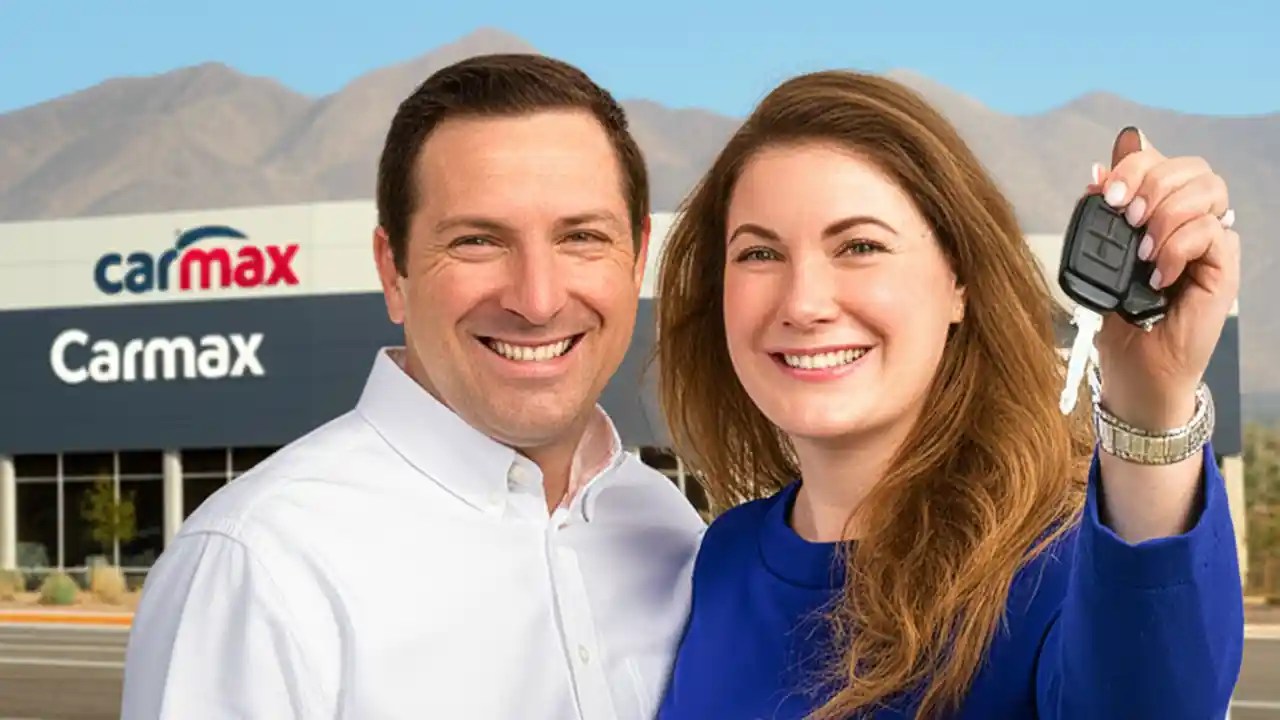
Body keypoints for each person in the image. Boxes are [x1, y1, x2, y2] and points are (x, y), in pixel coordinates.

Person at [120, 53, 705, 720]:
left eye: (581, 237)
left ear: (635, 260)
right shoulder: (258, 565)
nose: (537, 300)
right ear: (393, 272)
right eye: (478, 241)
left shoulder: (669, 531)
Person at [653, 70, 1243, 719]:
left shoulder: (1057, 565)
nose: (803, 303)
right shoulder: (724, 558)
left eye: (859, 246)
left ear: (958, 282)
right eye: (759, 254)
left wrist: (1151, 405)